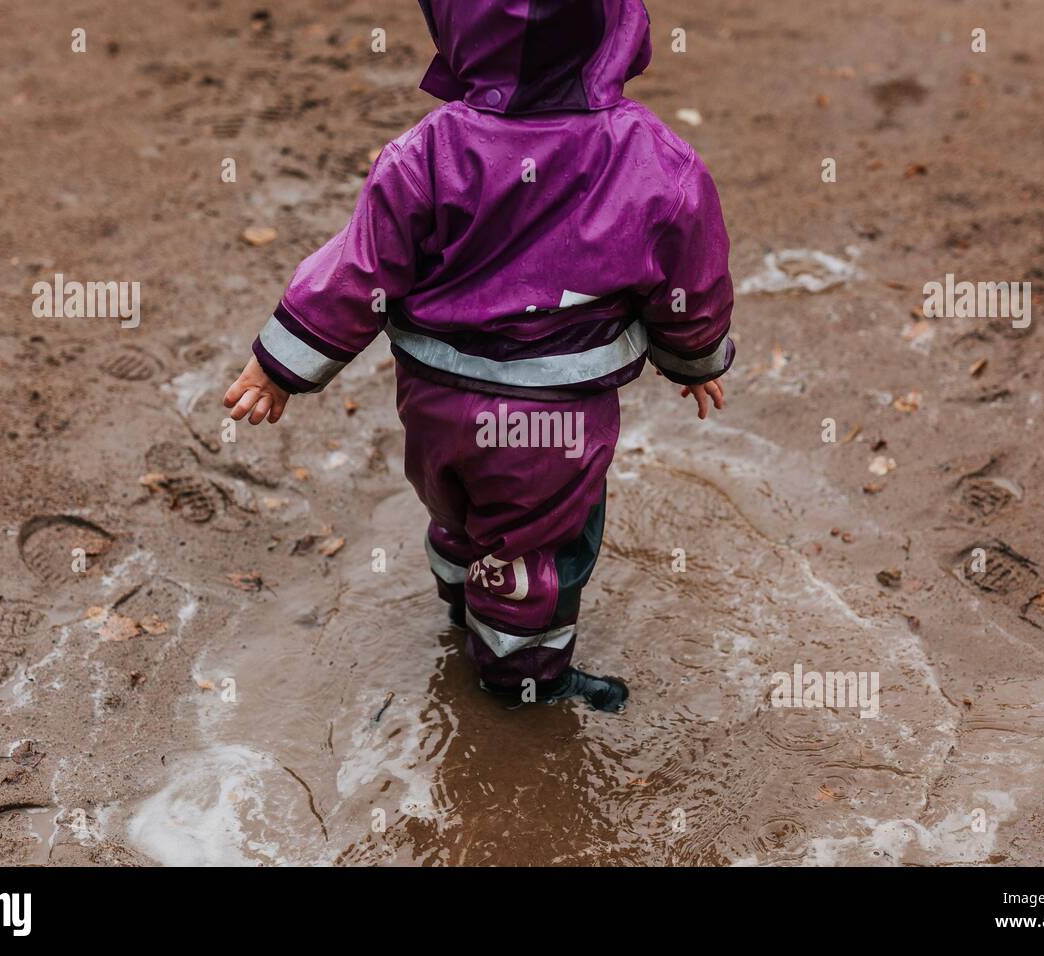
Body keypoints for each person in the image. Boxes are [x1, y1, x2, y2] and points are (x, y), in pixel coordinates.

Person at [223, 0, 733, 712]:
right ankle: (520, 681)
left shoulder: (428, 151)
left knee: (458, 509)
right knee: (539, 551)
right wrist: (696, 359)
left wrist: (279, 367)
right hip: (554, 424)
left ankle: (463, 602)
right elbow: (691, 278)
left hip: (436, 403)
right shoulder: (652, 158)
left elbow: (358, 268)